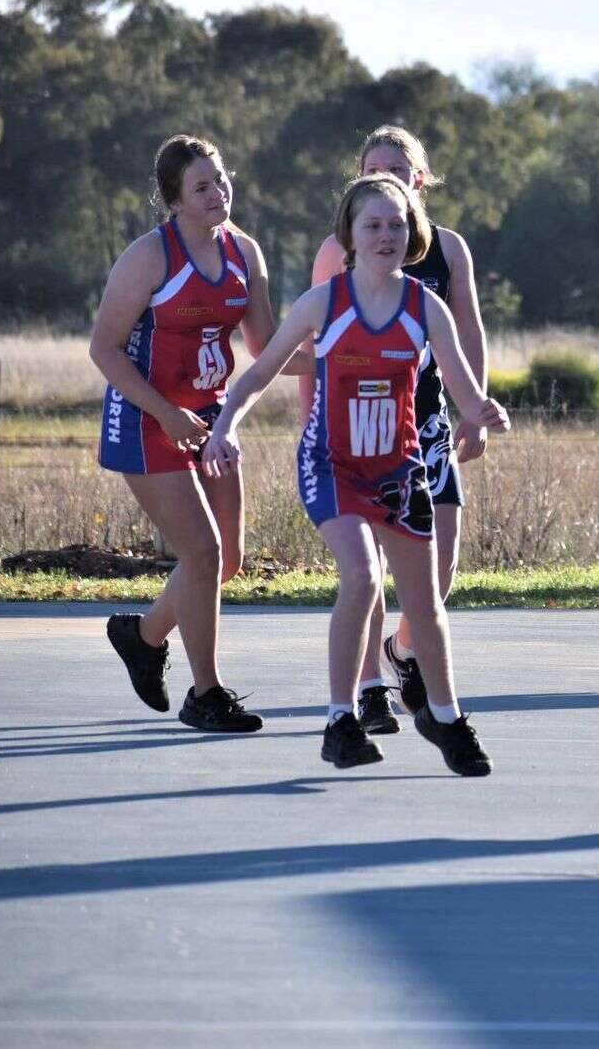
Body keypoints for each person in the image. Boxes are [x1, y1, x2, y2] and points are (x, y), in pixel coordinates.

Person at [201, 173, 511, 773]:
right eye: (373, 225)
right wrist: (226, 425)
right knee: (363, 576)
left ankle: (447, 720)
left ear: (411, 232)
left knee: (425, 605)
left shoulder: (426, 306)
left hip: (400, 469)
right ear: (350, 234)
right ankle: (341, 720)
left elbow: (464, 393)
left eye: (396, 224)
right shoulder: (324, 303)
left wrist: (484, 413)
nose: (386, 235)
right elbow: (260, 372)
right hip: (333, 465)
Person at [91, 134, 306, 732]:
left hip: (209, 419)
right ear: (175, 201)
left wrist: (345, 355)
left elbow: (266, 354)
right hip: (145, 418)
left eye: (221, 179)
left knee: (227, 560)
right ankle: (205, 696)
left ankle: (142, 636)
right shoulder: (148, 257)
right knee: (203, 553)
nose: (218, 193)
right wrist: (163, 411)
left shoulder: (246, 253)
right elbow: (103, 349)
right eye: (202, 187)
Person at [302, 126, 490, 734]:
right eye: (372, 170)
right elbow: (313, 345)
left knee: (441, 567)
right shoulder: (342, 250)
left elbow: (467, 335)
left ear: (420, 180)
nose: (387, 177)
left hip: (428, 419)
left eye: (399, 169)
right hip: (356, 430)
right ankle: (368, 689)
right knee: (370, 564)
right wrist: (315, 421)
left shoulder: (448, 250)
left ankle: (401, 652)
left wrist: (475, 408)